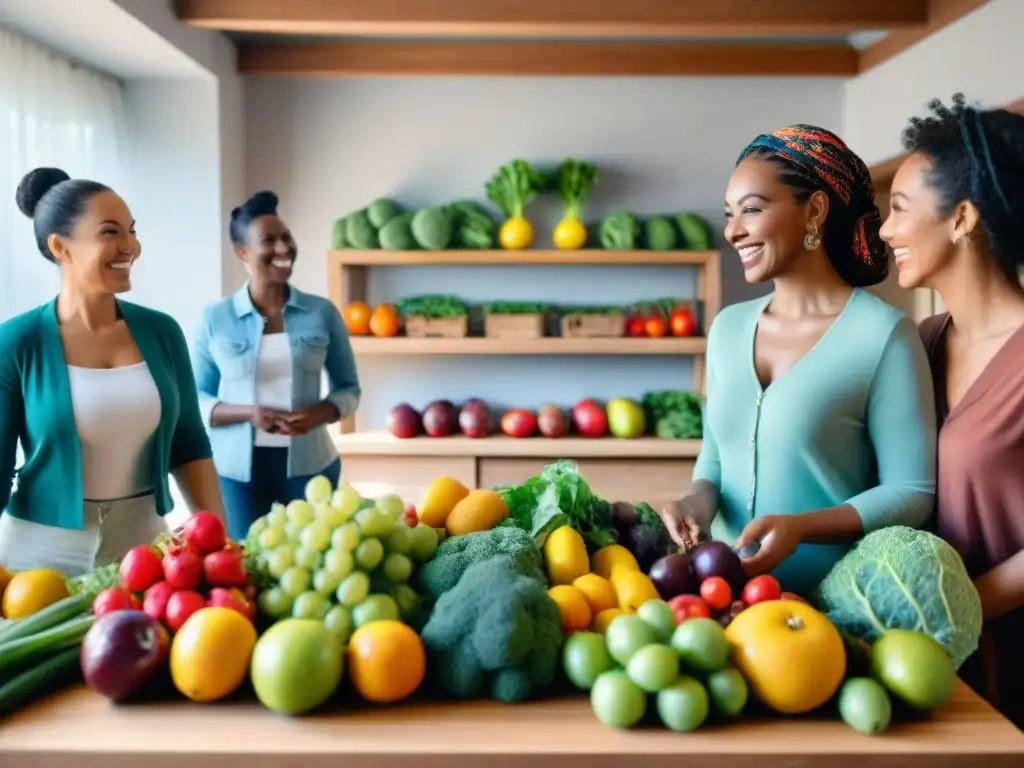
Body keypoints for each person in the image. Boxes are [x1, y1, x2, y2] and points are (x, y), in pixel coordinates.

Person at [662, 125, 938, 597]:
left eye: (752, 209)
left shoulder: (883, 335)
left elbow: (913, 492)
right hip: (724, 602)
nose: (733, 231)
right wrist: (695, 505)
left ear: (813, 210)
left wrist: (801, 527)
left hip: (836, 605)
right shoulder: (727, 329)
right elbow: (713, 462)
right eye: (730, 214)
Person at [879, 94, 1024, 726]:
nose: (886, 231)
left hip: (1012, 665)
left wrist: (955, 605)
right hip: (922, 665)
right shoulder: (919, 343)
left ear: (962, 218)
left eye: (899, 210)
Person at [0, 168, 224, 576]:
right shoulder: (16, 342)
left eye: (131, 230)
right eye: (110, 232)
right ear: (60, 247)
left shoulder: (162, 332)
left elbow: (190, 445)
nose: (131, 246)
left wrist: (220, 546)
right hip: (37, 559)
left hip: (144, 554)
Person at [193, 191, 361, 541]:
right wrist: (247, 413)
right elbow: (195, 396)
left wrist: (323, 412)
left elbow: (349, 389)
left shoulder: (322, 312)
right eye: (269, 240)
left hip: (311, 467)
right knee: (245, 563)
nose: (283, 248)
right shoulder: (215, 318)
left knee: (313, 565)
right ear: (243, 252)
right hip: (236, 474)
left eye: (286, 238)